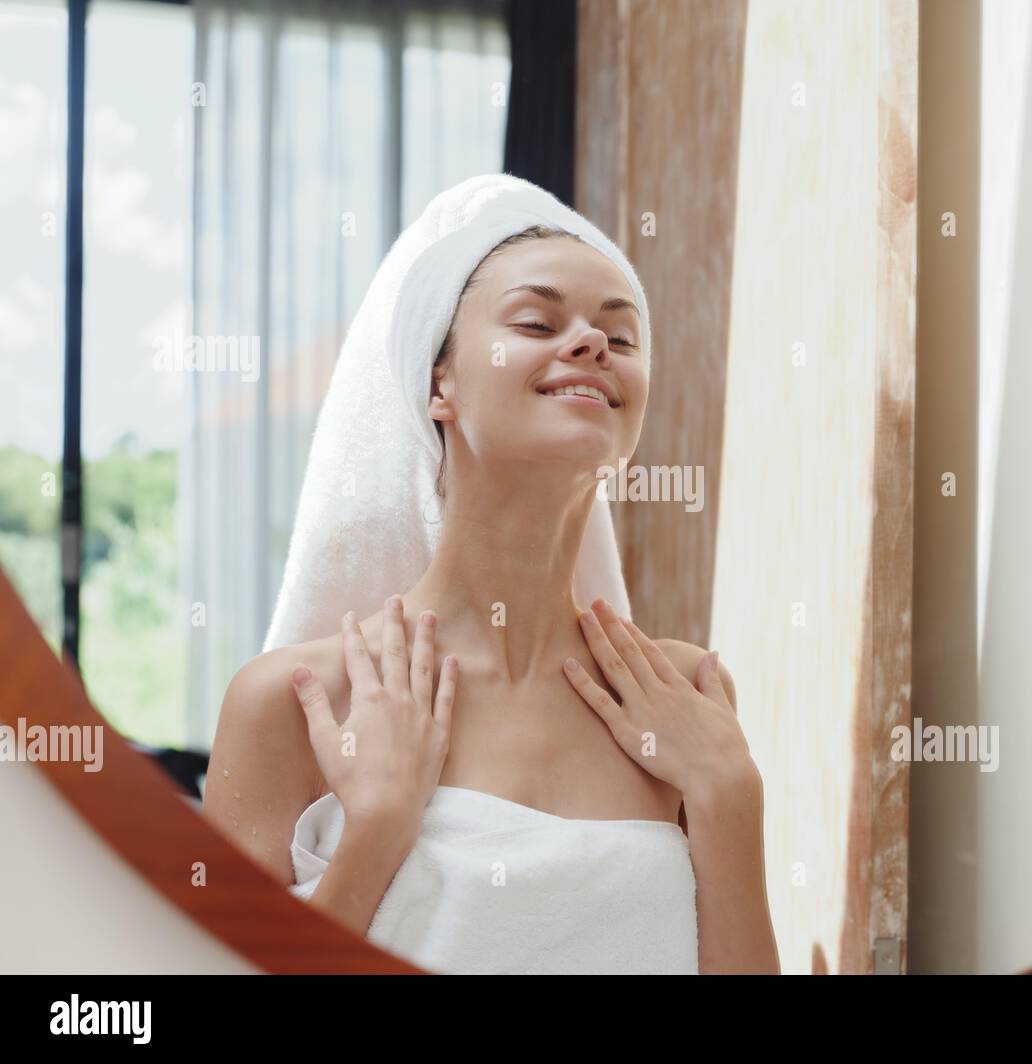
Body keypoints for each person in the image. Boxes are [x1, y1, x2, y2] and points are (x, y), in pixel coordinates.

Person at [202, 176, 779, 974]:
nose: (591, 345)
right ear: (439, 383)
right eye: (538, 322)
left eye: (622, 334)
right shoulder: (297, 703)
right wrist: (373, 835)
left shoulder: (681, 697)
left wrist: (730, 800)